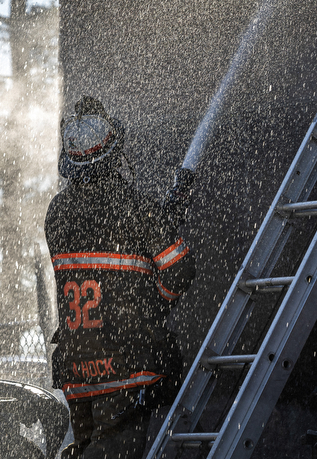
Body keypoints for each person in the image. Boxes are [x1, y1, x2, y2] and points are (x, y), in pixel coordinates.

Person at [45, 97, 197, 459]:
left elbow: (107, 258)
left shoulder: (57, 215)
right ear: (113, 153)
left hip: (77, 369)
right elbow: (179, 270)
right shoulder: (137, 208)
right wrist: (154, 302)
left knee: (86, 448)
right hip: (128, 363)